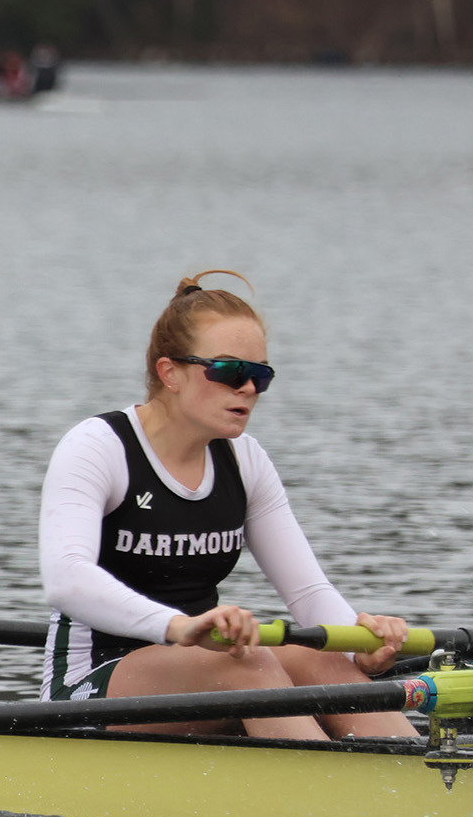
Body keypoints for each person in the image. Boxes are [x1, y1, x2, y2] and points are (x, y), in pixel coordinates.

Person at [38, 270, 416, 739]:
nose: (249, 390)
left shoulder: (245, 460)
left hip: (203, 665)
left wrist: (358, 645)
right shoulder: (99, 447)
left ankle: (419, 791)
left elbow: (307, 593)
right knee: (247, 664)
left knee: (324, 664)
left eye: (261, 376)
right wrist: (177, 627)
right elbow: (66, 580)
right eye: (231, 372)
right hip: (91, 684)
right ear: (169, 372)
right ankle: (331, 801)